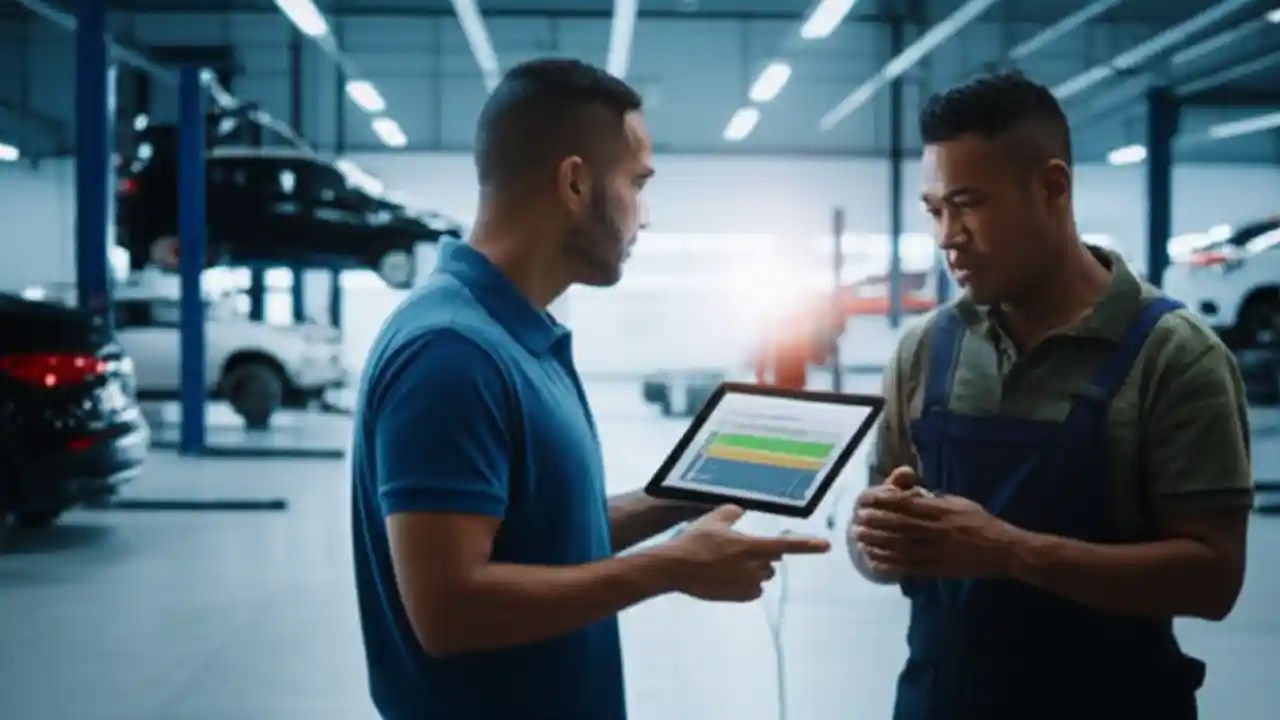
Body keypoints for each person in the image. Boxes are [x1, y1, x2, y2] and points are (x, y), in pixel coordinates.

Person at [349, 57, 830, 720]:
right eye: (637, 182)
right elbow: (451, 611)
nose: (646, 215)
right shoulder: (453, 351)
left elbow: (548, 538)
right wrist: (670, 568)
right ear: (574, 182)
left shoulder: (517, 335)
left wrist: (682, 498)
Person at [846, 71, 1253, 720]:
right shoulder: (925, 349)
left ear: (1052, 188)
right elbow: (878, 551)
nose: (947, 235)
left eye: (968, 203)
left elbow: (1214, 579)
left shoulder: (1174, 355)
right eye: (935, 210)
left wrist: (1009, 550)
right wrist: (874, 540)